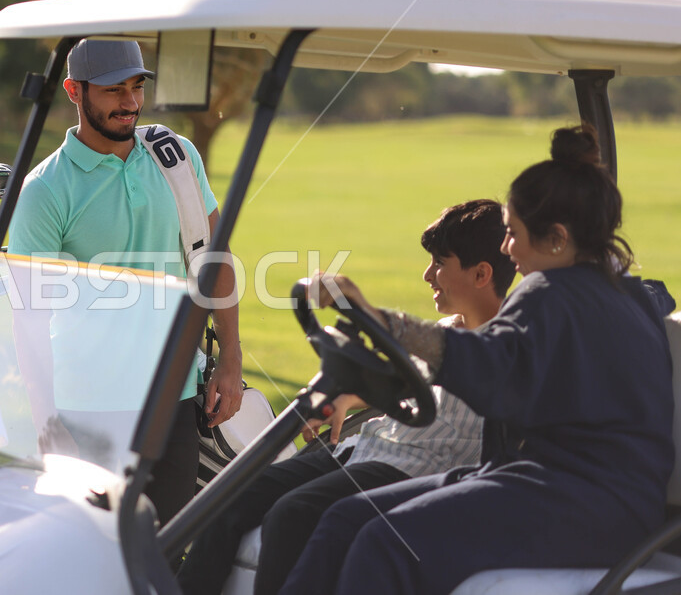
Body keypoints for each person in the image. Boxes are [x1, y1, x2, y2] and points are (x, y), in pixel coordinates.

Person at [283, 125, 676, 595]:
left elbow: (488, 362)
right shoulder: (630, 293)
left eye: (513, 234)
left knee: (383, 545)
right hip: (589, 495)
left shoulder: (548, 293)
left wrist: (377, 319)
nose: (507, 249)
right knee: (345, 519)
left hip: (579, 502)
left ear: (557, 238)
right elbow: (655, 295)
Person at [177, 199, 513, 595]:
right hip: (371, 447)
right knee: (234, 492)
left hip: (417, 469)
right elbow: (401, 383)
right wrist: (345, 396)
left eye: (440, 263)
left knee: (292, 515)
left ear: (481, 274)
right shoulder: (446, 328)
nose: (427, 274)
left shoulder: (503, 346)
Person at [6, 38, 243, 525]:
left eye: (137, 87)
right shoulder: (46, 190)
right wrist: (47, 421)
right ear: (74, 91)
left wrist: (231, 360)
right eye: (114, 90)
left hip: (172, 397)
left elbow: (216, 260)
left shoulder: (177, 158)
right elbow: (27, 317)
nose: (131, 102)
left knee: (167, 547)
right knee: (94, 554)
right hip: (88, 410)